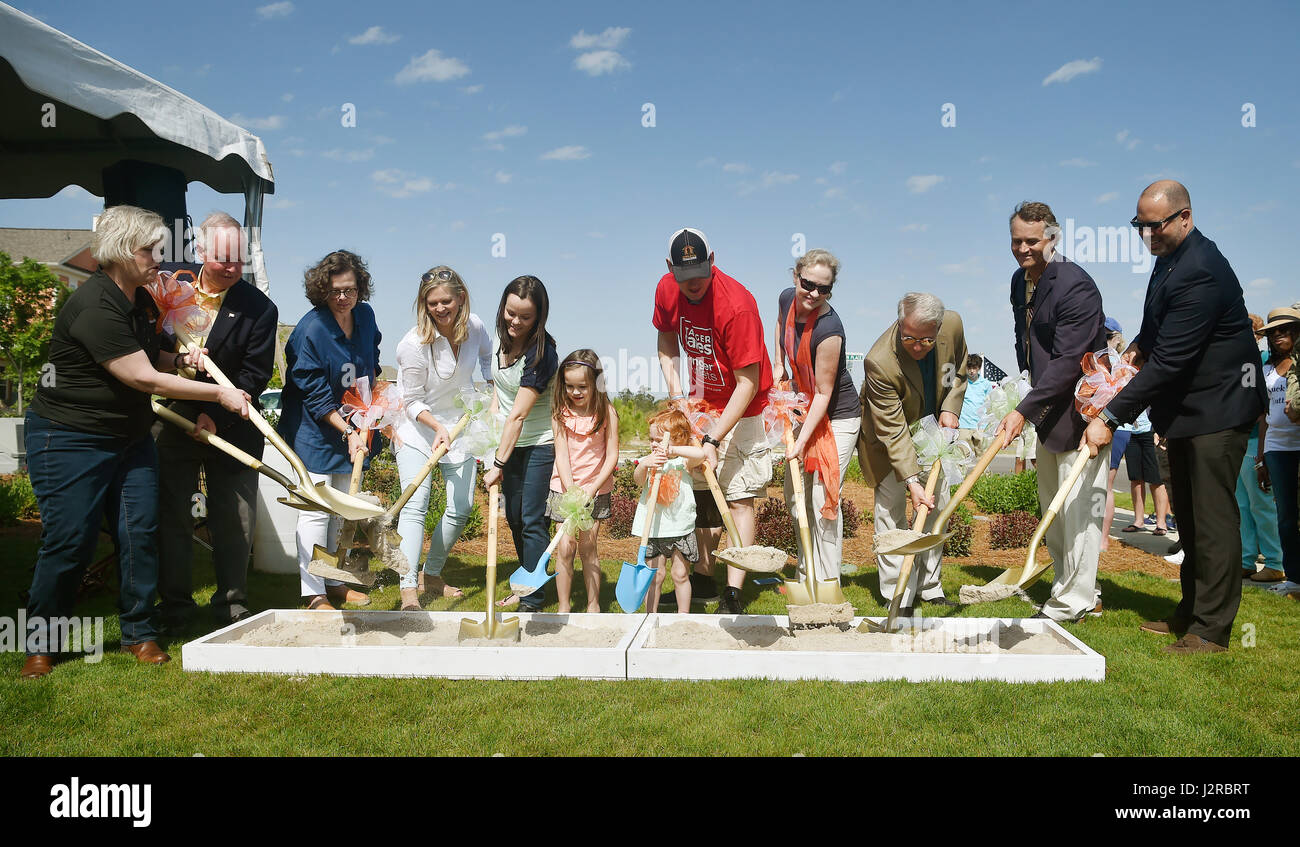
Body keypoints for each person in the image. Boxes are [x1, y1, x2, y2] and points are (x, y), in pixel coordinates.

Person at [20, 204, 250, 680]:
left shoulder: (144, 300)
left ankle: (140, 633)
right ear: (123, 251)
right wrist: (219, 393)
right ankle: (42, 641)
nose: (158, 258)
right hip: (69, 437)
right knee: (70, 540)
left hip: (129, 437)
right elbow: (144, 379)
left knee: (140, 533)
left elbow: (159, 361)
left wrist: (186, 360)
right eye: (150, 249)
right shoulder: (94, 306)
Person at [1082, 180, 1266, 654]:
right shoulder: (1170, 261)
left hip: (1219, 409)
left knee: (1213, 520)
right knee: (1190, 516)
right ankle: (1189, 611)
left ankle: (1211, 631)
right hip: (1189, 412)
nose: (1147, 234)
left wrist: (1110, 416)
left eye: (1155, 224)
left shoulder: (1200, 269)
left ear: (1185, 216)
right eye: (1139, 225)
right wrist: (1138, 346)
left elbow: (1174, 360)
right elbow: (1160, 332)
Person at [155, 212, 278, 632]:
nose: (231, 267)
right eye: (223, 258)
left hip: (233, 422)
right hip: (171, 417)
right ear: (202, 251)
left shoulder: (259, 307)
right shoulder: (170, 289)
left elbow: (255, 374)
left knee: (235, 519)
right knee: (174, 515)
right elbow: (150, 347)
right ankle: (175, 606)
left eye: (239, 259)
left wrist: (215, 414)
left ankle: (231, 604)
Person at [996, 201, 1107, 623]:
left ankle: (1073, 601)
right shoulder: (1019, 282)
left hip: (1082, 412)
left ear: (1053, 238)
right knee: (1054, 506)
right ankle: (1075, 588)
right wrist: (1026, 390)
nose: (1023, 248)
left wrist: (1023, 409)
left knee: (1078, 507)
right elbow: (1026, 342)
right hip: (1046, 408)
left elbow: (1067, 360)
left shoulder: (1075, 285)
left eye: (1032, 240)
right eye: (1016, 240)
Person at [653, 227, 773, 614]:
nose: (693, 284)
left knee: (737, 495)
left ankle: (734, 590)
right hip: (700, 401)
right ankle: (703, 576)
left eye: (701, 274)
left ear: (713, 260)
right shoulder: (667, 289)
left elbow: (748, 382)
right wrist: (678, 398)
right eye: (684, 277)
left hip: (745, 404)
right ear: (670, 268)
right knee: (701, 493)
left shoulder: (736, 304)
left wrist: (714, 440)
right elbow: (667, 340)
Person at [277, 250, 381, 611]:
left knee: (341, 507)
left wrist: (368, 417)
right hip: (313, 430)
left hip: (353, 422)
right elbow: (314, 392)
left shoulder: (365, 317)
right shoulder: (311, 330)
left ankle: (335, 581)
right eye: (336, 290)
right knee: (317, 510)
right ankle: (313, 593)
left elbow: (371, 365)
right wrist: (347, 429)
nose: (343, 298)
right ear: (322, 290)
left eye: (350, 290)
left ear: (359, 289)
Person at [392, 266, 492, 611]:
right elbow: (410, 399)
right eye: (432, 302)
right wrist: (436, 427)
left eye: (446, 300)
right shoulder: (412, 345)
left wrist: (488, 386)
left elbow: (486, 357)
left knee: (461, 507)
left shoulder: (475, 327)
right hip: (419, 430)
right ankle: (408, 591)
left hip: (461, 427)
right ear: (424, 304)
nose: (439, 308)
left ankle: (431, 573)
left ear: (460, 298)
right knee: (416, 506)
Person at [860, 292, 967, 612]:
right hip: (888, 435)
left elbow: (958, 366)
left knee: (938, 506)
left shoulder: (952, 325)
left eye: (926, 340)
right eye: (909, 337)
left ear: (937, 329)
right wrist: (912, 481)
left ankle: (929, 585)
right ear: (899, 322)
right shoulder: (879, 361)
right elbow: (893, 431)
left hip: (934, 429)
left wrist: (951, 407)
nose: (917, 346)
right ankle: (898, 590)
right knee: (891, 510)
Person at [773, 248, 860, 584]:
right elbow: (781, 325)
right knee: (796, 497)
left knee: (823, 497)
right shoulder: (785, 299)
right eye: (808, 284)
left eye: (823, 289)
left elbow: (824, 393)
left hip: (836, 417)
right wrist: (780, 363)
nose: (813, 294)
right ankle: (806, 570)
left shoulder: (829, 329)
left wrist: (800, 442)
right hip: (802, 406)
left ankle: (826, 581)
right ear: (796, 276)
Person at [482, 276, 558, 613]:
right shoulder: (502, 343)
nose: (515, 322)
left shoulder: (543, 354)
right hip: (508, 443)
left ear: (539, 318)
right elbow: (500, 395)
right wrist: (491, 441)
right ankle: (527, 582)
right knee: (513, 517)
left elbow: (519, 415)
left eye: (524, 317)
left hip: (539, 443)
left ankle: (533, 598)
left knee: (530, 518)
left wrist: (497, 463)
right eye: (510, 313)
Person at [547, 349, 619, 613]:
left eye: (582, 387)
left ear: (596, 385)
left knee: (588, 547)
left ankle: (593, 605)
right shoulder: (560, 414)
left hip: (595, 490)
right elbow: (562, 455)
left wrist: (591, 488)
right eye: (569, 387)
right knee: (565, 547)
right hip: (564, 489)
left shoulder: (607, 412)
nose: (575, 392)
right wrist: (571, 489)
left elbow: (612, 455)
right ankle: (564, 606)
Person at [637, 407, 706, 613]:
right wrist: (644, 466)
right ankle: (650, 616)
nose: (654, 444)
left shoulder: (682, 461)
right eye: (652, 440)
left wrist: (672, 451)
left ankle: (682, 616)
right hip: (654, 529)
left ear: (679, 439)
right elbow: (639, 481)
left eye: (660, 440)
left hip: (680, 528)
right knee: (654, 576)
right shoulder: (650, 461)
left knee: (680, 574)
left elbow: (700, 453)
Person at [1255, 307, 1300, 594]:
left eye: (1285, 331)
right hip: (1276, 447)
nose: (1279, 336)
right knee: (1285, 515)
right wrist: (1261, 457)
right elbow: (1263, 415)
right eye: (1273, 333)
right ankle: (1293, 578)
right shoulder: (1266, 370)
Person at [1235, 313, 1283, 580]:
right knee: (1242, 504)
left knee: (1261, 503)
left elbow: (1258, 405)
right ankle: (1246, 559)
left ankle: (1276, 561)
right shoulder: (1241, 361)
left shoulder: (1263, 361)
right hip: (1240, 439)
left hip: (1257, 439)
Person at [1099, 320, 1132, 553]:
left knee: (1105, 485)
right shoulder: (1102, 358)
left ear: (1117, 338)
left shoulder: (1118, 362)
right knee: (1100, 484)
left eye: (1108, 336)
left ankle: (1102, 539)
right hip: (1108, 425)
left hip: (1115, 426)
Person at [956, 354, 993, 451]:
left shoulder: (986, 384)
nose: (972, 371)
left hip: (981, 427)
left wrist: (987, 425)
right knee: (961, 458)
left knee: (983, 459)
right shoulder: (960, 383)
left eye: (974, 368)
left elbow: (990, 405)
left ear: (979, 368)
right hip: (963, 426)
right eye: (969, 367)